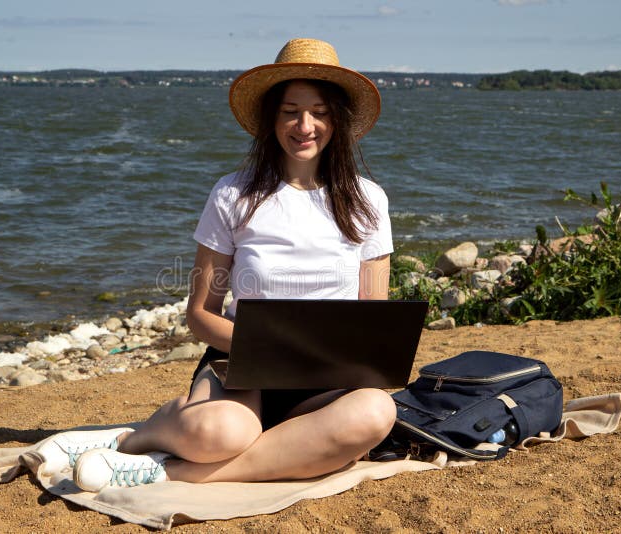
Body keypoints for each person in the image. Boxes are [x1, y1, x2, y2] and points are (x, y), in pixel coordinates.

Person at [41, 38, 396, 491]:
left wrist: (341, 358)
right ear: (271, 118)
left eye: (320, 112)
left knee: (376, 412)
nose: (305, 125)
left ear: (338, 120)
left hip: (327, 379)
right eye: (290, 110)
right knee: (225, 432)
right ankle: (134, 438)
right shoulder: (233, 194)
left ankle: (168, 471)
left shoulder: (369, 200)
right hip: (242, 364)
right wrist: (272, 347)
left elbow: (374, 319)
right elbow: (200, 314)